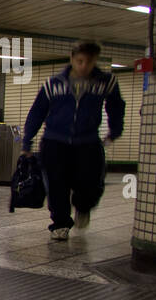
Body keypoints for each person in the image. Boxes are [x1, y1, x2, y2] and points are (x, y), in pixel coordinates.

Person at [21, 40, 124, 241]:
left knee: (90, 183)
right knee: (57, 185)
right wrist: (27, 141)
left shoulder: (106, 82)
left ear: (95, 61)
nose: (84, 66)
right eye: (80, 61)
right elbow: (37, 112)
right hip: (54, 141)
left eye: (89, 62)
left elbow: (116, 107)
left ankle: (83, 207)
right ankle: (60, 223)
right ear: (72, 59)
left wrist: (115, 130)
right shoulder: (53, 84)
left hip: (88, 142)